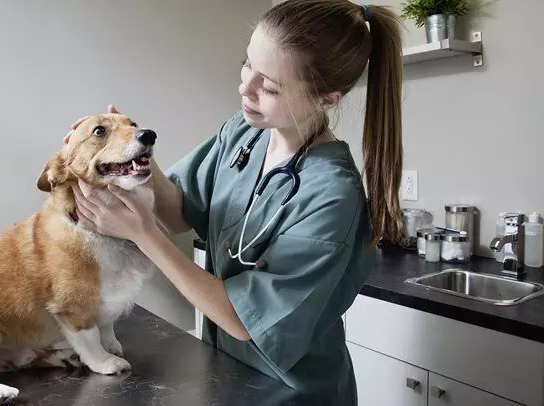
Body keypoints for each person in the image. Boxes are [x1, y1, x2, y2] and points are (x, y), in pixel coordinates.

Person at [70, 0, 404, 404]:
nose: (245, 88)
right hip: (228, 375)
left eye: (270, 86)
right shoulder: (244, 133)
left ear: (327, 99)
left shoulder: (333, 197)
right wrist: (135, 149)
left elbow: (245, 320)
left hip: (291, 392)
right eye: (247, 65)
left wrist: (141, 234)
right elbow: (179, 215)